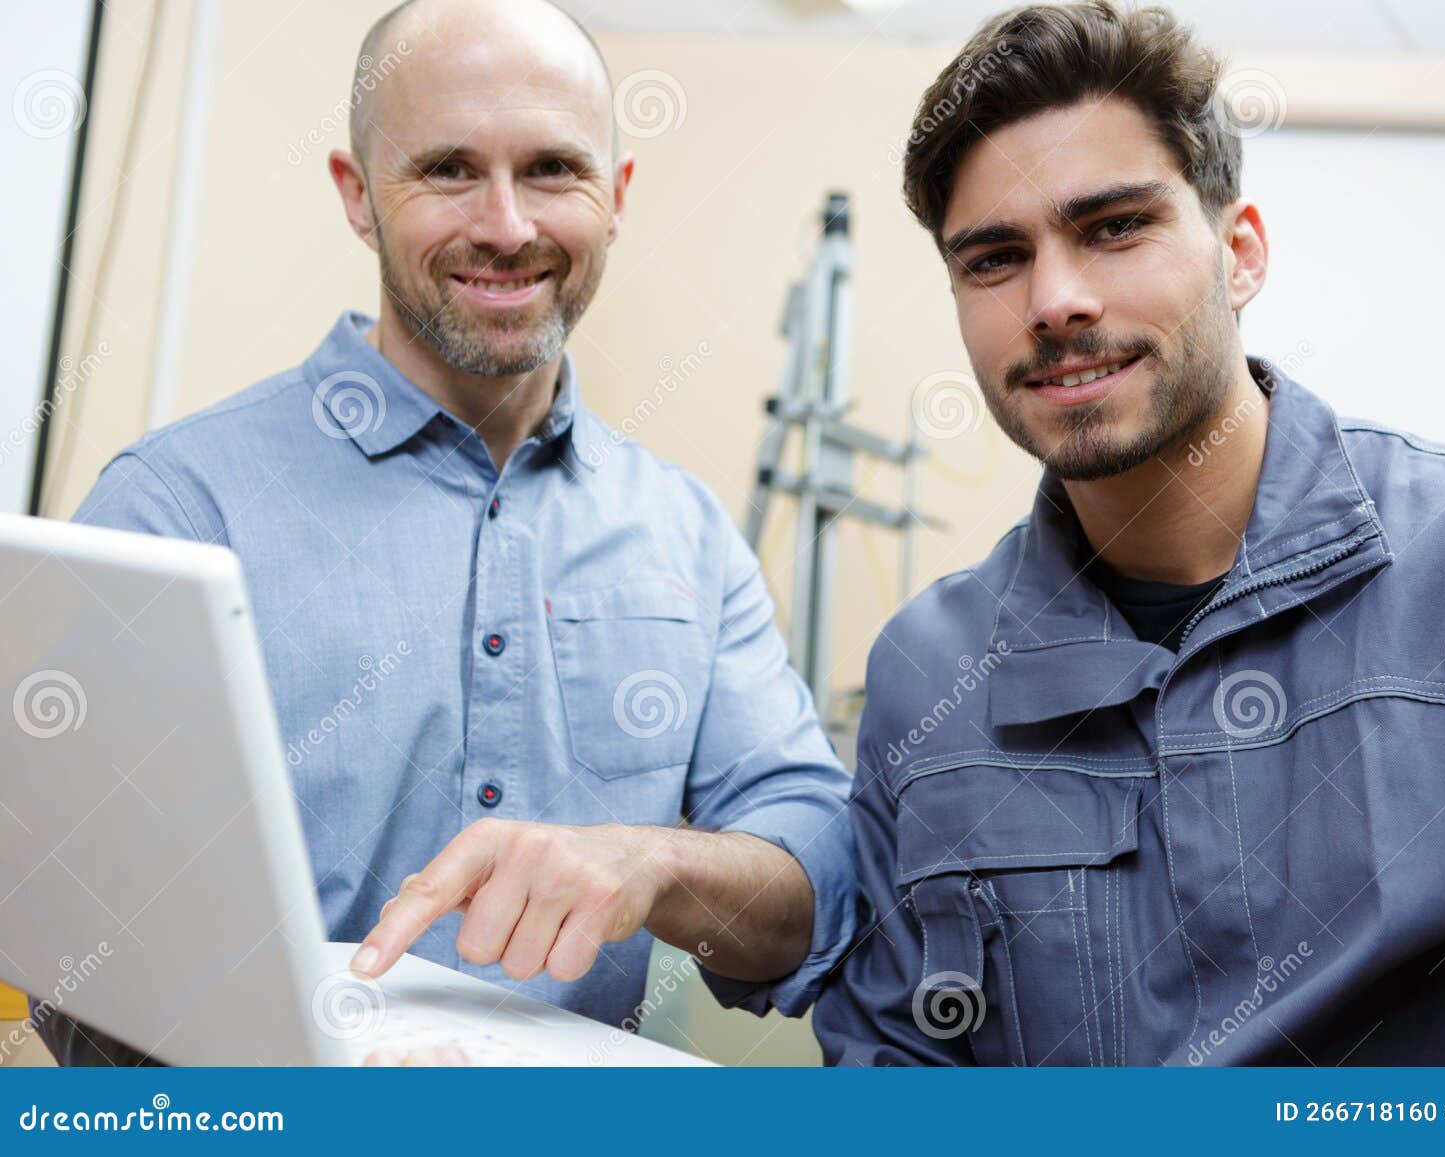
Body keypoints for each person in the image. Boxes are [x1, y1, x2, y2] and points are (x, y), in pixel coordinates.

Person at [35, 0, 855, 1066]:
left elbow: (819, 867)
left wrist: (651, 863)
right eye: (449, 170)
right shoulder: (178, 508)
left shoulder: (687, 536)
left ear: (616, 195)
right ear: (358, 196)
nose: (507, 225)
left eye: (554, 168)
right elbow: (56, 907)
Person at [815, 0, 1445, 1065]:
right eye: (994, 258)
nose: (1055, 299)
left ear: (1239, 253)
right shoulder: (928, 673)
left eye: (1113, 227)